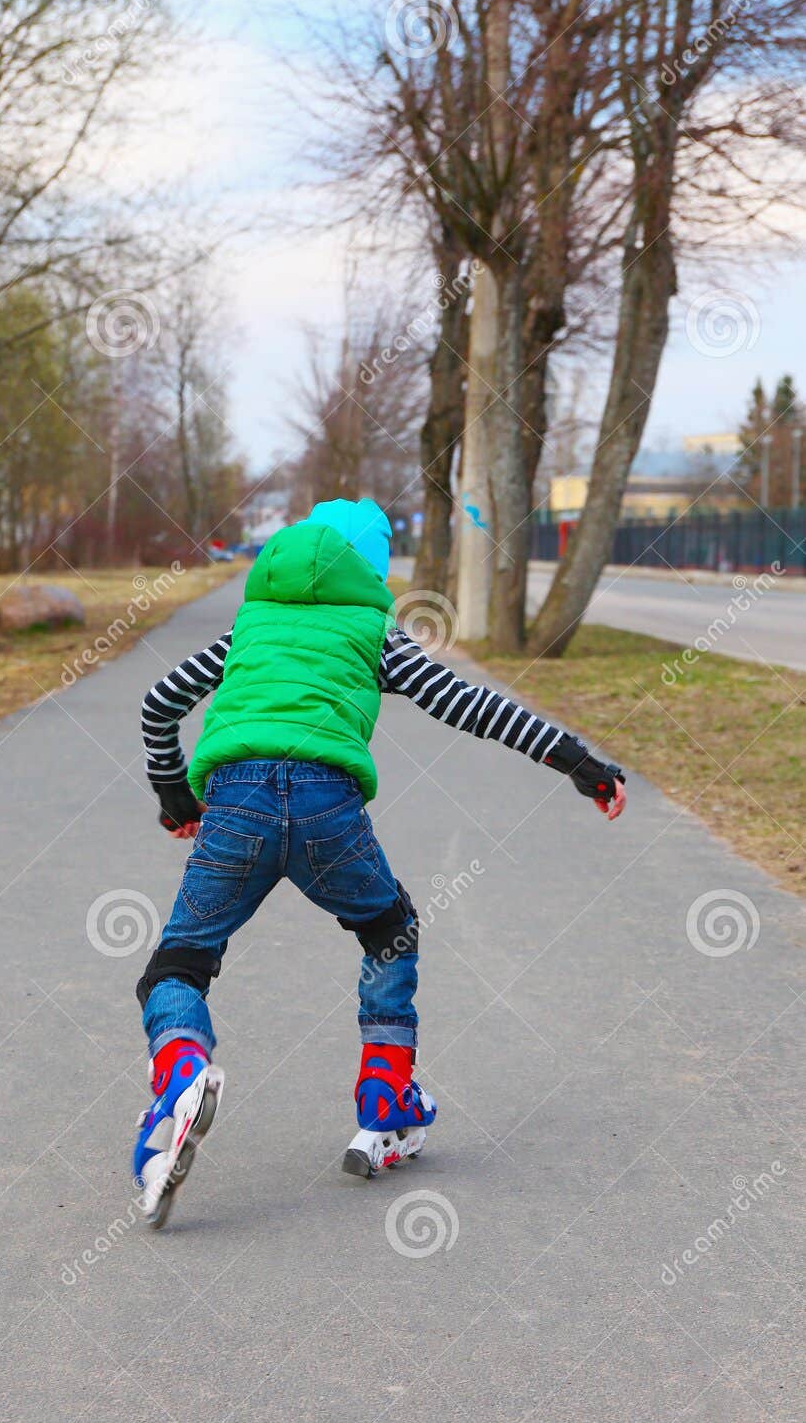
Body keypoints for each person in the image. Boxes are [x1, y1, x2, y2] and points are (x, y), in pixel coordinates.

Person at [132, 499, 626, 1226]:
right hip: (327, 808)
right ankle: (386, 1094)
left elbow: (158, 703)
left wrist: (178, 801)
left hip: (233, 805)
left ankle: (178, 1074)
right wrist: (575, 761)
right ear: (370, 570)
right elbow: (467, 705)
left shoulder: (248, 629)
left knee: (180, 960)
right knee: (387, 928)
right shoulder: (372, 632)